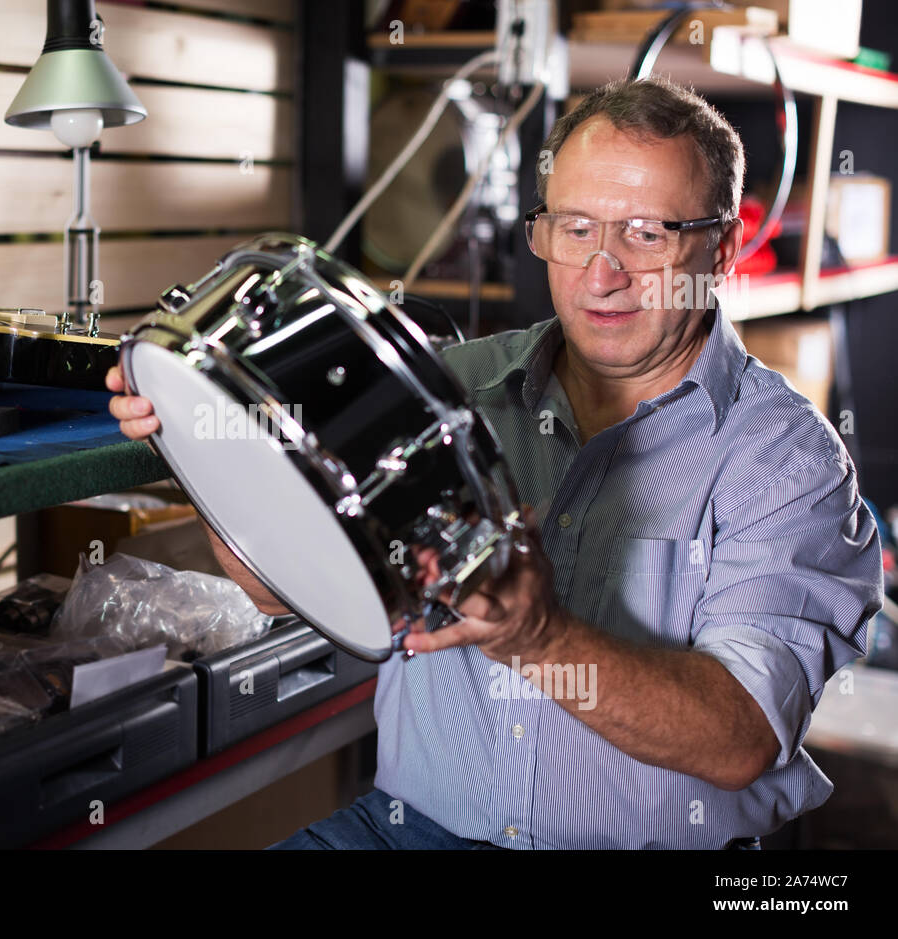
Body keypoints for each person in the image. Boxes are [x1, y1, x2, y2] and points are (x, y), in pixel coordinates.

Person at [106, 77, 883, 849]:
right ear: (540, 234)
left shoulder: (786, 462)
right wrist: (205, 446)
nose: (602, 271)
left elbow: (740, 736)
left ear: (723, 247)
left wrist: (541, 636)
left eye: (647, 233)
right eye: (576, 228)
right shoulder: (447, 389)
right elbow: (276, 589)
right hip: (409, 833)